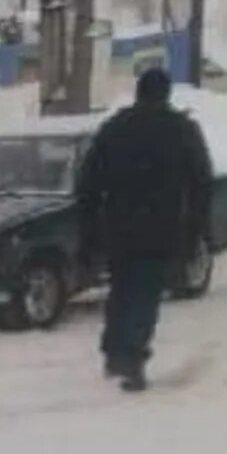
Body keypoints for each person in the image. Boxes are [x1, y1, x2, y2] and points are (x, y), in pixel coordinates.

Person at [76, 68, 214, 393]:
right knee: (146, 294)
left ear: (138, 93)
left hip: (119, 225)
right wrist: (196, 229)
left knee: (122, 288)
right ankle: (132, 359)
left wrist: (89, 230)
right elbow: (201, 183)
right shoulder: (181, 129)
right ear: (165, 94)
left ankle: (114, 351)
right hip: (161, 225)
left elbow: (88, 182)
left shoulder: (115, 128)